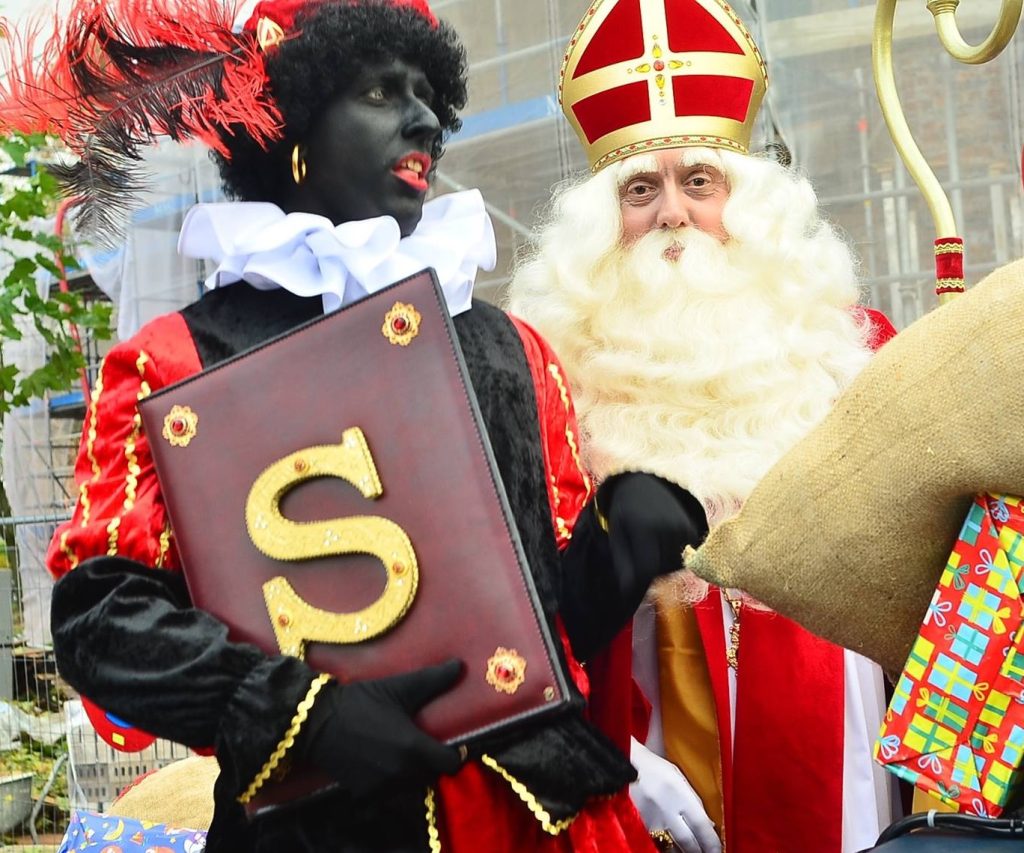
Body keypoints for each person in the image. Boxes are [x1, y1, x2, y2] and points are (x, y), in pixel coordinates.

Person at [0, 0, 709, 850]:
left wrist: (615, 544)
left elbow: (538, 632)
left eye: (427, 95)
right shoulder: (179, 358)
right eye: (380, 91)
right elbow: (101, 618)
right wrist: (302, 715)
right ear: (288, 128)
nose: (423, 120)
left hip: (537, 822)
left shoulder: (507, 347)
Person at [507, 0, 898, 851]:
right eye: (641, 190)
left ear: (748, 206)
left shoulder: (849, 349)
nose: (674, 215)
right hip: (640, 761)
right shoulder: (546, 380)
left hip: (838, 756)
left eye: (699, 183)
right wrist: (601, 755)